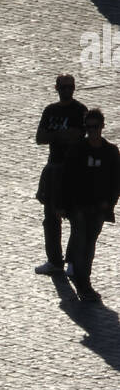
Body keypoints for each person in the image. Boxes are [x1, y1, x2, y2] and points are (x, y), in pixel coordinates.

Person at [59, 108, 120, 302]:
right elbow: (66, 178)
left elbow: (116, 181)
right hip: (78, 206)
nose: (92, 131)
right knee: (80, 241)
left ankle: (83, 278)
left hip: (98, 208)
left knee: (89, 243)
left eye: (95, 127)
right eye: (89, 127)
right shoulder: (77, 150)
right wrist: (63, 204)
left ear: (102, 127)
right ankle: (83, 283)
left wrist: (109, 204)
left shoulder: (111, 151)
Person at [34, 75, 88, 276]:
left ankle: (72, 260)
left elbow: (78, 137)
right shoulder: (50, 111)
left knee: (75, 216)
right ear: (57, 88)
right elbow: (40, 138)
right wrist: (62, 135)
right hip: (54, 168)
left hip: (73, 169)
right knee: (50, 217)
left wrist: (56, 136)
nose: (68, 90)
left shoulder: (79, 110)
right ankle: (54, 260)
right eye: (64, 87)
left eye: (71, 87)